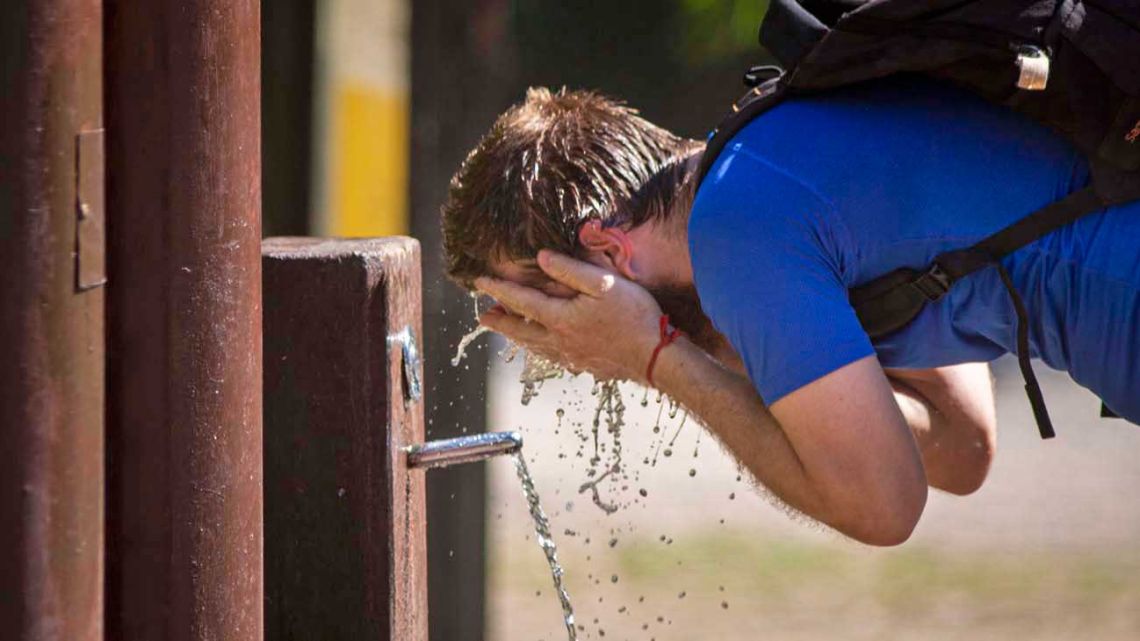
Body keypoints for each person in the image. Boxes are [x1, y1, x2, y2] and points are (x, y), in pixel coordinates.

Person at [441, 81, 1140, 546]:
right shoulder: (766, 161)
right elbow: (962, 447)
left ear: (603, 248)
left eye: (541, 304)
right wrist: (710, 348)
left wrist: (655, 356)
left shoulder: (735, 229)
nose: (555, 343)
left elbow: (883, 505)